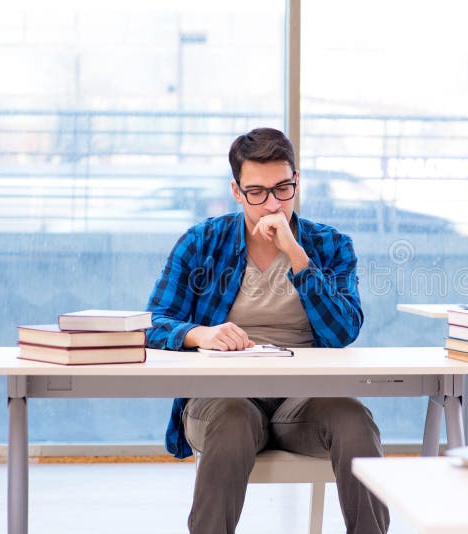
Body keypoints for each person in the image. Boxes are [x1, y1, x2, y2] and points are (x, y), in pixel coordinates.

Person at [145, 127, 390, 534]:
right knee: (232, 416)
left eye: (283, 188)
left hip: (304, 400)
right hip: (224, 397)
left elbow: (344, 330)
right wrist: (199, 334)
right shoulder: (202, 241)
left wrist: (296, 254)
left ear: (298, 181)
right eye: (257, 192)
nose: (272, 203)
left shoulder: (330, 245)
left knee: (354, 419)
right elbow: (153, 321)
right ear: (237, 192)